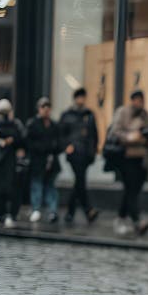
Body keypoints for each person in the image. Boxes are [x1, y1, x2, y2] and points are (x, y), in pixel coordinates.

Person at [110, 90, 148, 236]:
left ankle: (121, 218)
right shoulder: (123, 112)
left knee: (133, 190)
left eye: (141, 100)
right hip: (126, 156)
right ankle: (137, 221)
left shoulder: (146, 115)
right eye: (136, 99)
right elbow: (115, 132)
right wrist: (129, 136)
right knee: (130, 188)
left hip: (141, 157)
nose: (139, 103)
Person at [59, 87, 99, 224]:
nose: (81, 100)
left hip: (86, 153)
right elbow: (61, 134)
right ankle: (88, 210)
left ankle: (70, 213)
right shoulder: (67, 115)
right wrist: (66, 146)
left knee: (79, 182)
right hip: (74, 153)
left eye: (83, 97)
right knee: (80, 180)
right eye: (79, 97)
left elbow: (94, 134)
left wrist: (94, 150)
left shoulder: (89, 114)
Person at [0, 99, 25, 228]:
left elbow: (22, 139)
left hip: (9, 162)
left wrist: (11, 141)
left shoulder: (14, 125)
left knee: (9, 189)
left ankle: (8, 213)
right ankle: (2, 213)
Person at [26, 97, 62, 223]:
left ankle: (53, 210)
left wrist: (53, 149)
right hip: (37, 160)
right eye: (43, 107)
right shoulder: (33, 124)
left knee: (50, 185)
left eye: (48, 107)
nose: (46, 110)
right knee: (37, 184)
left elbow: (59, 142)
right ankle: (36, 209)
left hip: (51, 161)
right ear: (39, 109)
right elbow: (28, 142)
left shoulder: (54, 125)